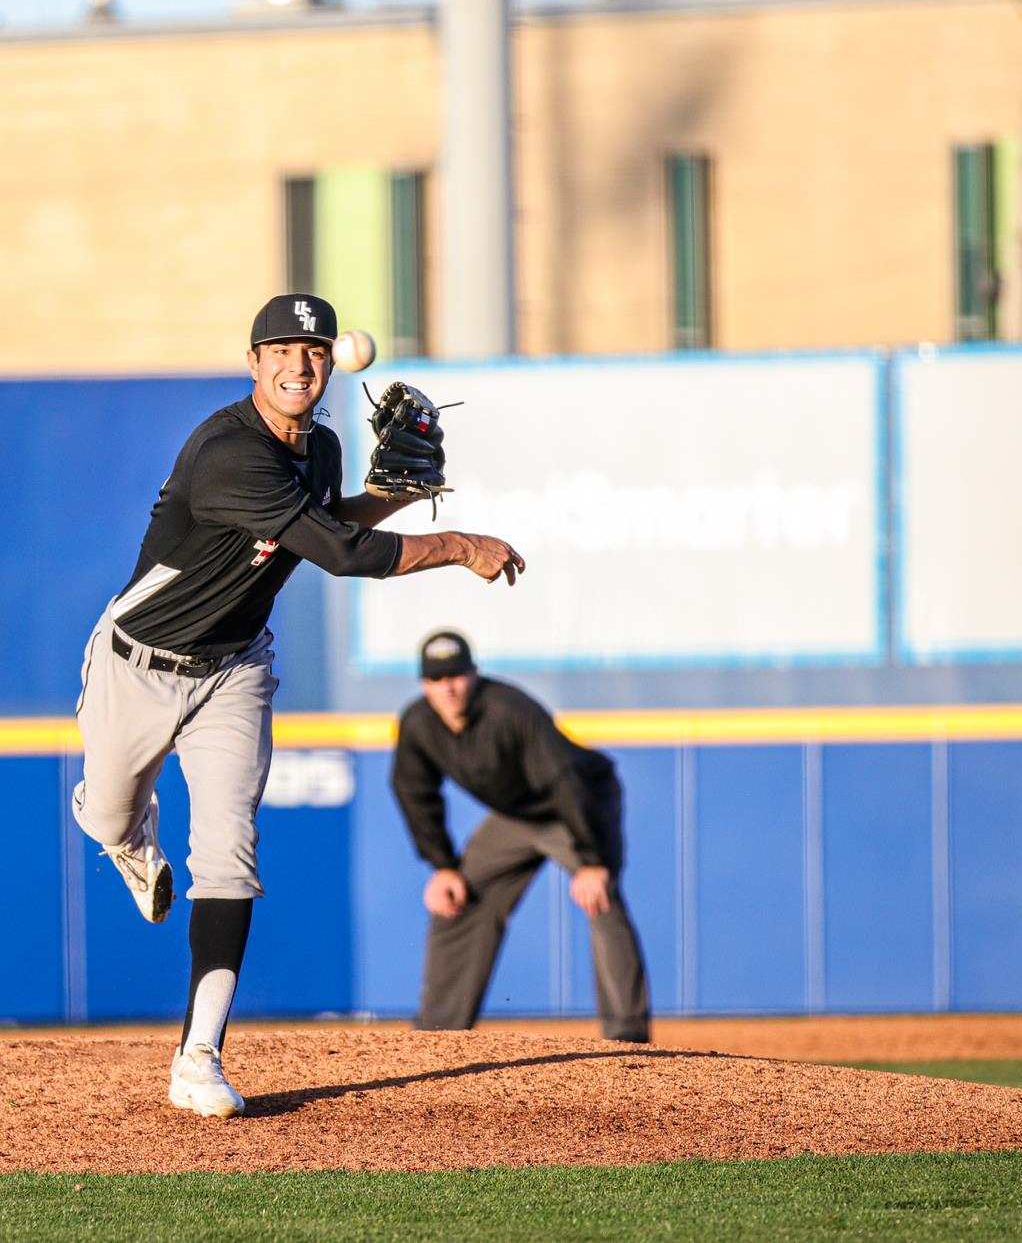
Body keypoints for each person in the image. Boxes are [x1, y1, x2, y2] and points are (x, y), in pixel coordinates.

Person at [72, 292, 526, 1118]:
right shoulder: (227, 452)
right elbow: (344, 554)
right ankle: (126, 837)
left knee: (229, 852)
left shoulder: (317, 447)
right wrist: (460, 543)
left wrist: (390, 488)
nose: (299, 364)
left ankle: (198, 1055)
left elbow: (323, 524)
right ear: (254, 363)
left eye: (313, 352)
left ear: (327, 365)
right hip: (136, 663)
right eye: (281, 350)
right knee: (106, 817)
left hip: (233, 669)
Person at [391, 629, 651, 1042]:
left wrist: (592, 861)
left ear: (474, 674)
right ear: (424, 684)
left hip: (578, 805)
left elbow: (563, 780)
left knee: (600, 897)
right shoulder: (419, 723)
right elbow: (413, 791)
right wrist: (441, 865)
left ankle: (627, 1037)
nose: (449, 687)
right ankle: (437, 1037)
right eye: (438, 679)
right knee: (458, 896)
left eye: (457, 675)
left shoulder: (509, 708)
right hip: (516, 815)